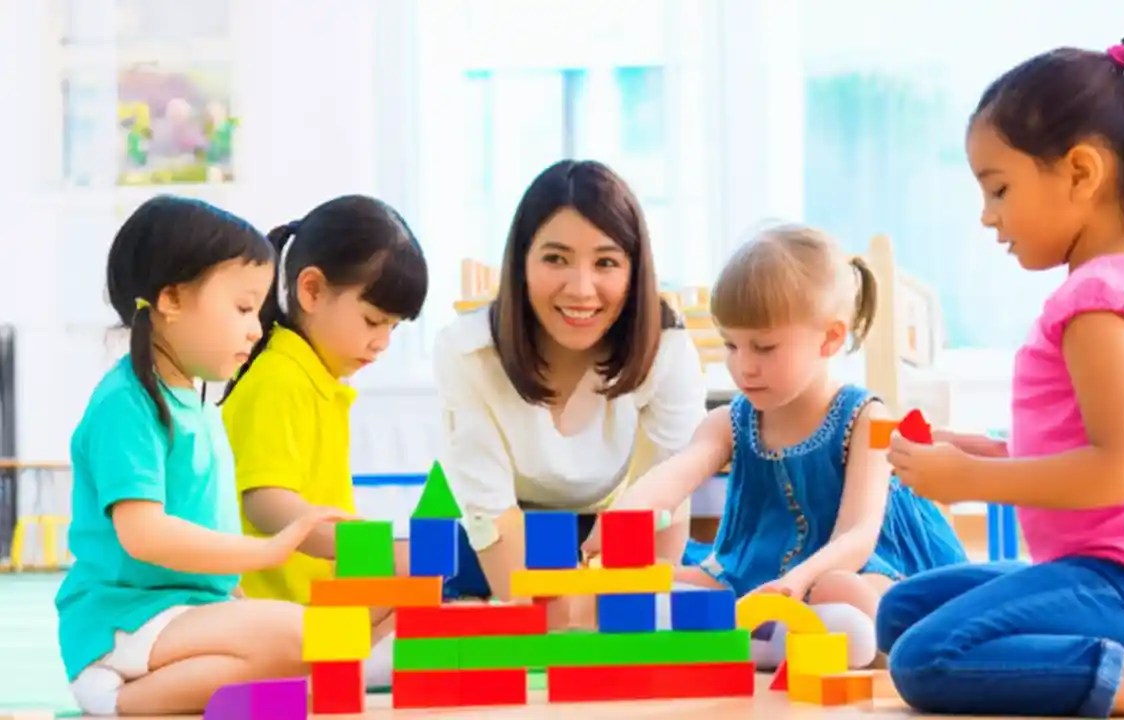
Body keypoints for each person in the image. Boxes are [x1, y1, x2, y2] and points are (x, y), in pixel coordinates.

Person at [877, 33, 1124, 718]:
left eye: (999, 188)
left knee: (926, 659)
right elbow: (1088, 452)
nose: (987, 215)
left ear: (1081, 172)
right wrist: (983, 453)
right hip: (1120, 570)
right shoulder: (1115, 285)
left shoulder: (1097, 301)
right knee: (902, 611)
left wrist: (968, 481)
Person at [585, 224, 969, 669]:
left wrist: (797, 581)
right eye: (731, 344)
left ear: (829, 338)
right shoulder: (729, 421)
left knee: (839, 588)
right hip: (758, 568)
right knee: (659, 582)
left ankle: (849, 631)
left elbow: (858, 535)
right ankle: (790, 632)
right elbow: (677, 474)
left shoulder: (867, 419)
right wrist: (620, 520)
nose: (743, 367)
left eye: (763, 347)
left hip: (855, 562)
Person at [56, 196, 346, 716]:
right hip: (122, 620)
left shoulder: (197, 404)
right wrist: (269, 550)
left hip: (178, 616)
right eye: (241, 309)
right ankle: (116, 698)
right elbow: (144, 535)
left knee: (315, 650)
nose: (257, 329)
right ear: (170, 298)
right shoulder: (127, 402)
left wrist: (235, 599)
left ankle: (157, 695)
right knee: (306, 633)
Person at [432, 159, 707, 620]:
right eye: (555, 258)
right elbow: (491, 521)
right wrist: (560, 617)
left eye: (606, 263)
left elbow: (666, 500)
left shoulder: (668, 348)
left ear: (634, 271)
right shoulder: (466, 352)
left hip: (614, 539)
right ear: (521, 263)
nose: (581, 289)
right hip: (497, 539)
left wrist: (628, 611)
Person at [220, 195, 428, 688]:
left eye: (393, 328)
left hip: (309, 600)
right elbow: (267, 503)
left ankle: (337, 664)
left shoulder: (315, 378)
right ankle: (320, 669)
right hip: (273, 610)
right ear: (311, 290)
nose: (382, 342)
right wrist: (367, 548)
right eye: (374, 321)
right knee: (423, 595)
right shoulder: (279, 378)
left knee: (432, 594)